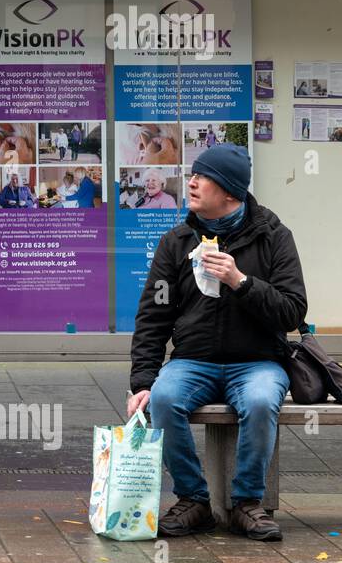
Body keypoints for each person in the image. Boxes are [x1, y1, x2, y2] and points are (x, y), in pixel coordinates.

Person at [127, 144, 306, 541]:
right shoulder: (176, 242)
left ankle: (246, 503)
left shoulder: (273, 237)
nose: (191, 182)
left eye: (203, 177)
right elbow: (154, 316)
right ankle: (194, 500)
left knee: (260, 401)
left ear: (229, 191)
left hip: (259, 361)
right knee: (163, 398)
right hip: (193, 360)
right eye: (194, 173)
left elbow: (293, 311)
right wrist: (142, 381)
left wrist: (241, 283)